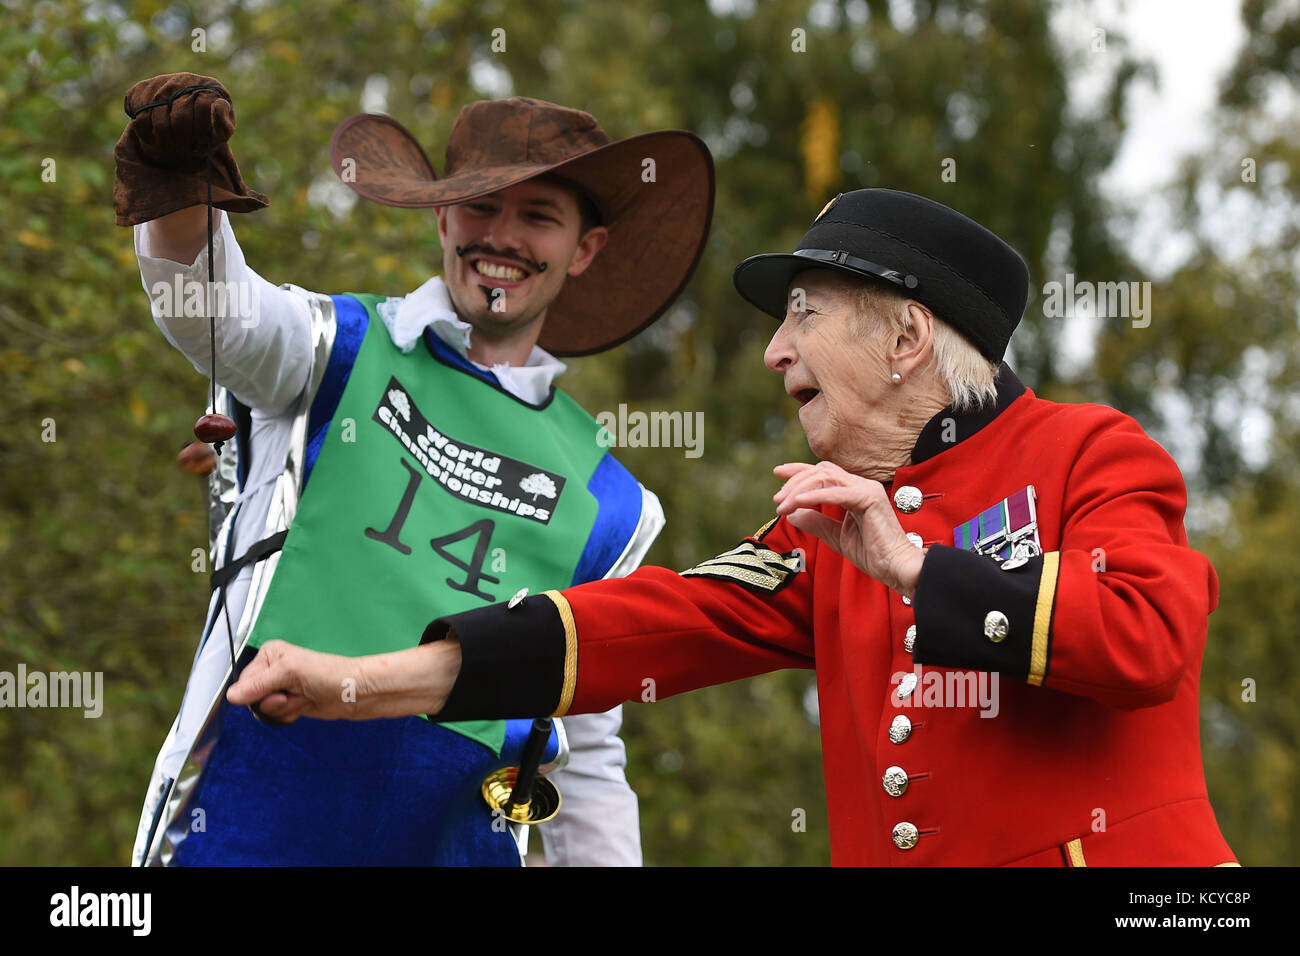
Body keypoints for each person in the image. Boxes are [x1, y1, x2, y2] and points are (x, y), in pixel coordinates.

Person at [228, 188, 1240, 867]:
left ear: (903, 336)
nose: (772, 351)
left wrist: (910, 563)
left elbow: (1145, 638)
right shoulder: (828, 523)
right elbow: (642, 626)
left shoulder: (1087, 451)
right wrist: (357, 682)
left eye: (802, 312)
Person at [116, 73, 714, 866]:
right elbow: (221, 314)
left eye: (538, 216)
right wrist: (178, 187)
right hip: (237, 834)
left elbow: (589, 751)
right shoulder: (339, 348)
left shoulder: (612, 504)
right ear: (441, 217)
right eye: (480, 206)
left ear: (586, 249)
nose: (502, 237)